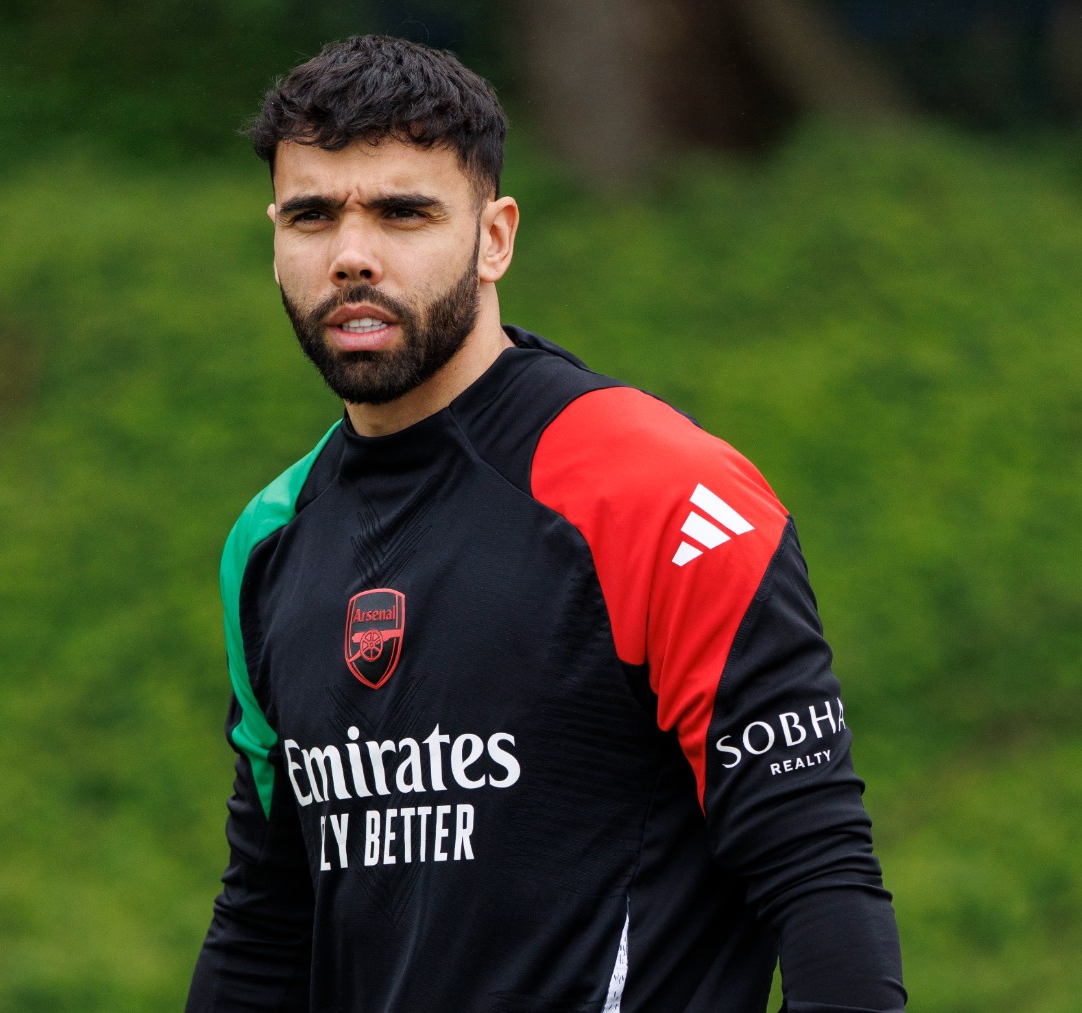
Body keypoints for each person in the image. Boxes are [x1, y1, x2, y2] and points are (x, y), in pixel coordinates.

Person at [187, 34, 906, 1013]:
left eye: (403, 211)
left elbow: (817, 876)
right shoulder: (268, 540)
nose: (351, 255)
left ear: (495, 236)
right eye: (312, 215)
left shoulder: (664, 491)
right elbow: (267, 923)